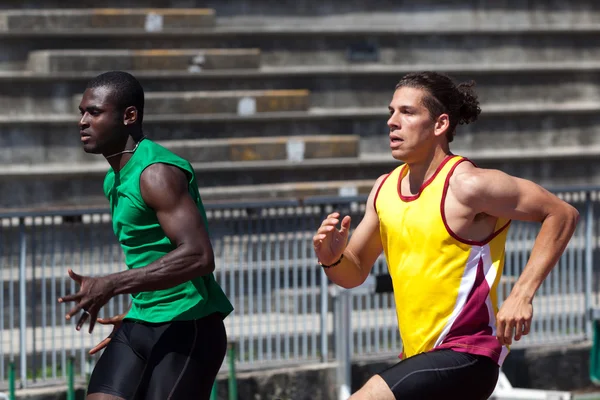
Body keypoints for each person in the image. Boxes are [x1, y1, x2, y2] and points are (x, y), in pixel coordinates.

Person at [313, 71, 579, 400]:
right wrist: (331, 258)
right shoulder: (383, 190)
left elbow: (562, 213)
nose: (392, 122)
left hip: (469, 355)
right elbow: (353, 272)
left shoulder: (468, 185)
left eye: (407, 112)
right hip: (419, 358)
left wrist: (522, 294)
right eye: (391, 112)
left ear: (440, 124)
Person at [58, 70, 234, 400]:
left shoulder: (155, 173)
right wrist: (140, 312)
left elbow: (199, 255)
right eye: (81, 112)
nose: (82, 121)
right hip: (140, 320)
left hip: (187, 326)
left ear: (129, 116)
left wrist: (111, 284)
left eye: (94, 112)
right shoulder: (114, 179)